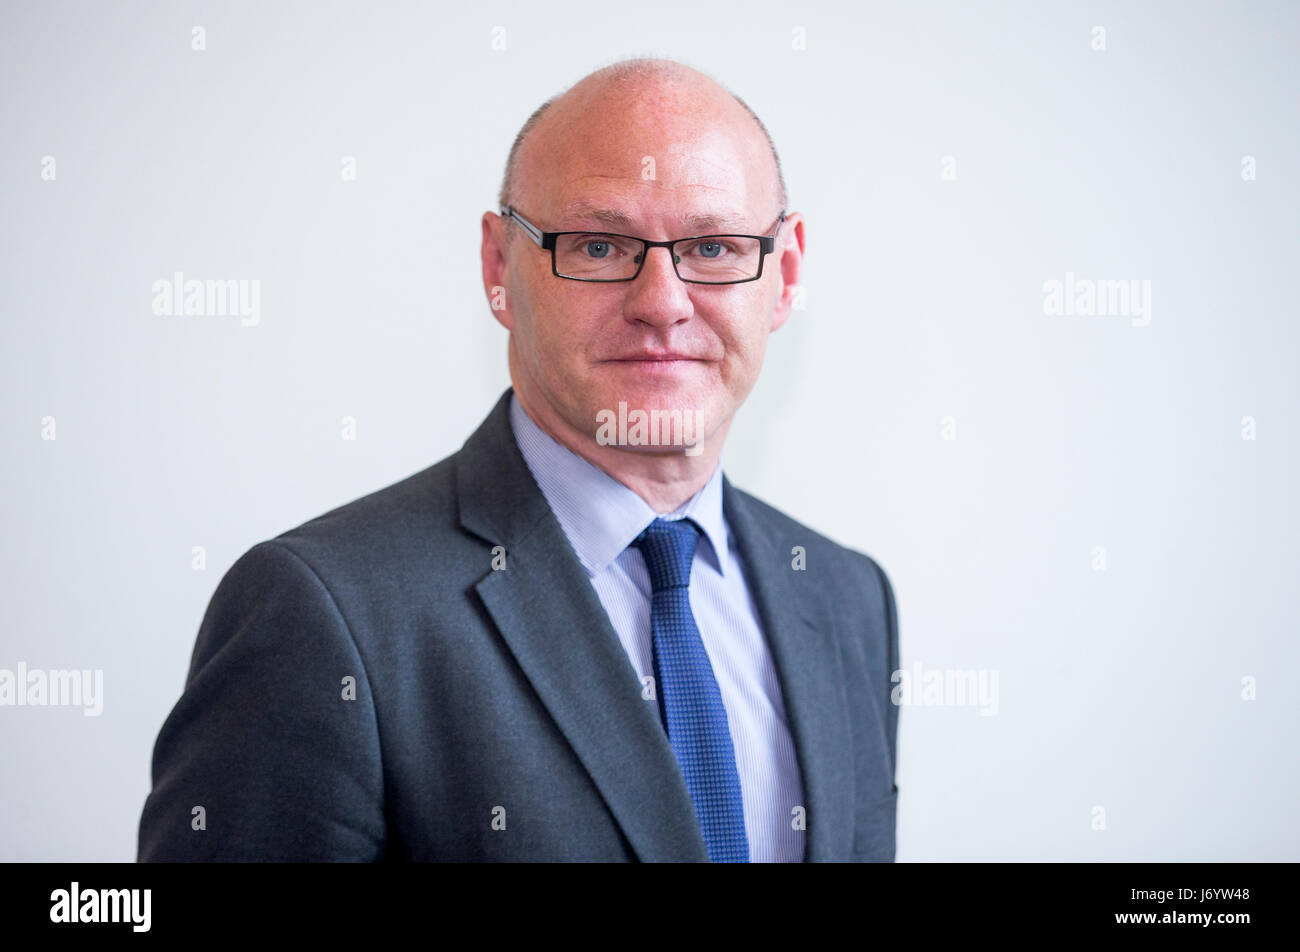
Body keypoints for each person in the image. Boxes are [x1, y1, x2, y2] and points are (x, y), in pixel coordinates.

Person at [138, 56, 899, 863]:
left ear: (784, 276)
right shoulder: (324, 617)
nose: (663, 302)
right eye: (601, 246)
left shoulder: (850, 600)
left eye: (713, 246)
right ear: (499, 267)